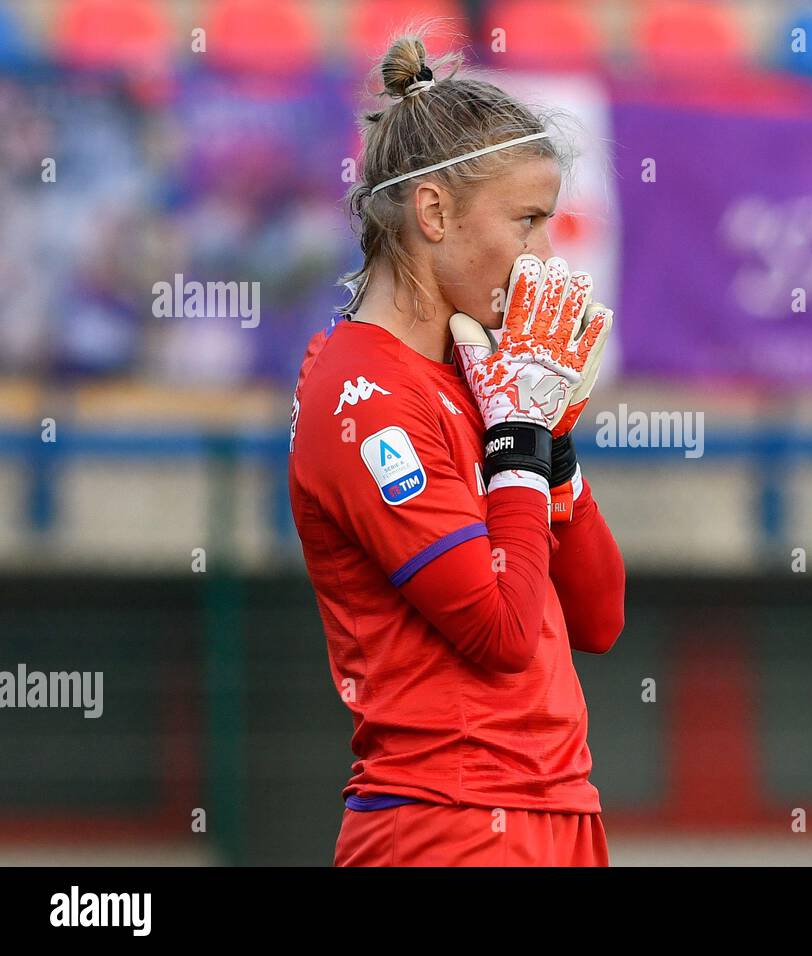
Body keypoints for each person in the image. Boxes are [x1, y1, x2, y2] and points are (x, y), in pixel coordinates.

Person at [287, 30, 624, 866]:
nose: (545, 255)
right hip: (447, 818)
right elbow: (501, 632)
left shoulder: (481, 375)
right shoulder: (361, 396)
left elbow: (599, 617)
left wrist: (550, 442)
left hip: (560, 805)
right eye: (528, 221)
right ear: (434, 213)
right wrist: (515, 437)